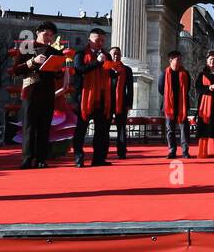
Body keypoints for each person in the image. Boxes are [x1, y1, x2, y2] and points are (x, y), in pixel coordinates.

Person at [15, 22, 66, 168]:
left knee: (44, 127)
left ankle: (41, 158)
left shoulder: (54, 51)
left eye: (51, 35)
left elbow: (57, 75)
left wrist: (58, 70)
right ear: (38, 32)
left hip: (47, 92)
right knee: (29, 127)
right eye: (46, 34)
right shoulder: (26, 47)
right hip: (30, 91)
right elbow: (16, 70)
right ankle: (27, 158)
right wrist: (33, 61)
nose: (49, 38)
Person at [72, 30, 112, 167]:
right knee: (81, 129)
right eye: (97, 40)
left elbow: (110, 73)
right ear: (89, 40)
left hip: (102, 96)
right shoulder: (80, 53)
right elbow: (79, 69)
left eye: (102, 40)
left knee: (101, 130)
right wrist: (97, 62)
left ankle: (99, 158)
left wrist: (114, 69)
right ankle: (79, 157)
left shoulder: (106, 55)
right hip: (84, 96)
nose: (100, 43)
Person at [158, 50, 192, 159]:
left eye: (180, 59)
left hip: (182, 105)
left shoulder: (185, 73)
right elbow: (160, 89)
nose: (179, 61)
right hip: (169, 105)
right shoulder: (164, 73)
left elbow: (188, 88)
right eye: (177, 59)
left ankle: (185, 151)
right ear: (171, 60)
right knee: (170, 129)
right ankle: (172, 150)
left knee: (184, 129)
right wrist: (170, 97)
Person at [105, 46, 134, 160]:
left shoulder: (127, 70)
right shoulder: (105, 68)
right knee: (104, 127)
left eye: (118, 54)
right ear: (109, 55)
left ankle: (122, 151)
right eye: (114, 54)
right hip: (107, 102)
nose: (116, 56)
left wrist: (129, 104)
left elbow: (130, 88)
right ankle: (103, 150)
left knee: (121, 128)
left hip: (121, 102)